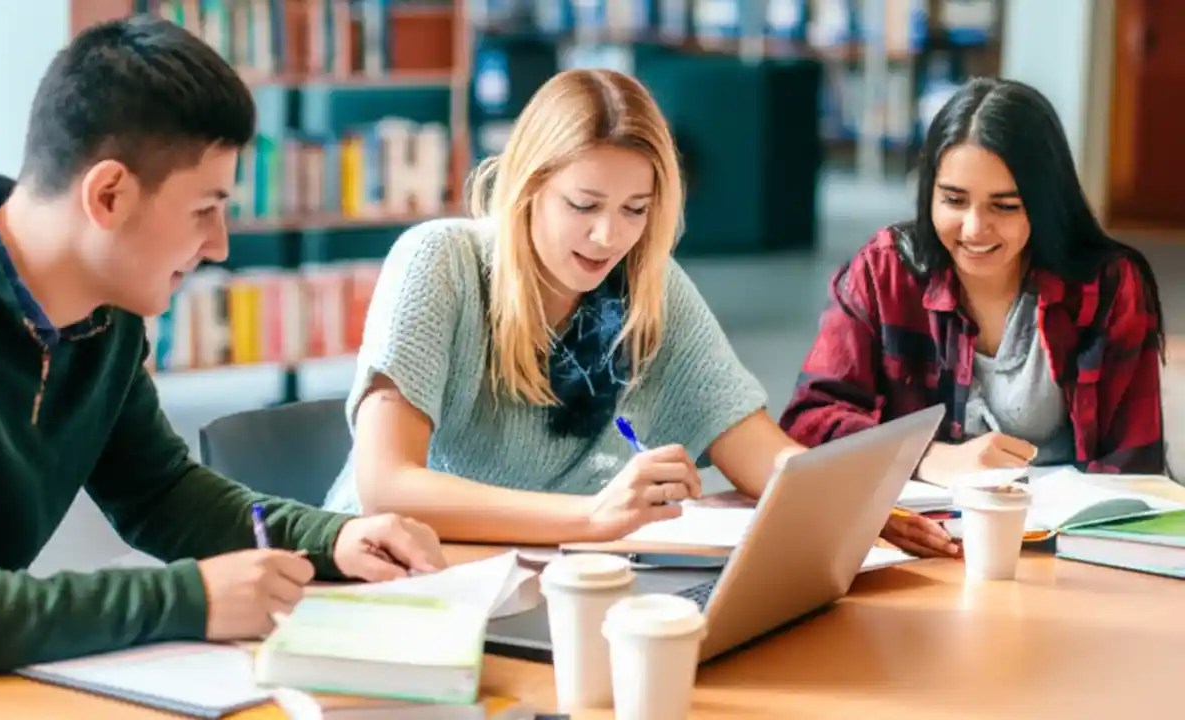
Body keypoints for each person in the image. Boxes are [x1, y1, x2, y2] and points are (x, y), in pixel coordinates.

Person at [0, 16, 445, 685]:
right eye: (203, 210)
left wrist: (330, 538)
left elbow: (159, 492)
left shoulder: (105, 313)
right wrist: (189, 599)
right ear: (108, 195)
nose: (219, 245)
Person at [324, 68, 805, 545]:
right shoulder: (439, 261)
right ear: (529, 187)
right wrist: (591, 516)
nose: (608, 236)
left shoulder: (648, 287)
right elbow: (386, 487)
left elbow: (762, 454)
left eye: (635, 209)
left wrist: (834, 490)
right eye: (583, 205)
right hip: (388, 569)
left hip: (550, 570)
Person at [779, 77, 1166, 557]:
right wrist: (927, 457)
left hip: (1070, 551)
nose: (975, 228)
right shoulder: (884, 272)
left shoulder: (1107, 286)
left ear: (1045, 202)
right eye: (954, 200)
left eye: (1005, 206)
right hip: (921, 548)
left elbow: (1135, 471)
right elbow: (808, 421)